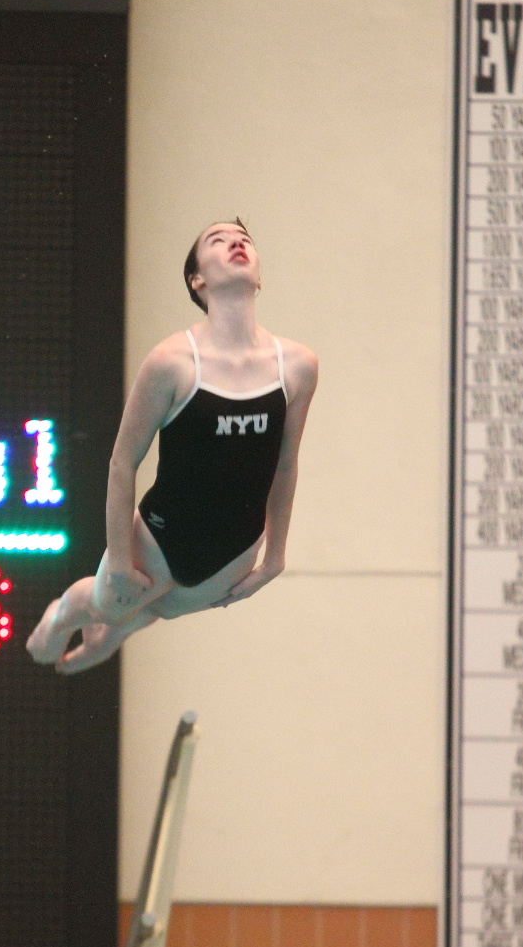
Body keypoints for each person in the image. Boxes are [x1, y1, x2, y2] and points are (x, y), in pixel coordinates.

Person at [26, 219, 318, 673]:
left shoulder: (298, 365)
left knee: (159, 609)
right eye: (217, 242)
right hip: (158, 540)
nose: (236, 244)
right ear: (196, 280)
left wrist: (276, 555)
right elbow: (123, 463)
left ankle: (113, 634)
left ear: (258, 277)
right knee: (109, 606)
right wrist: (120, 559)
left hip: (234, 553)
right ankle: (63, 615)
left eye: (244, 240)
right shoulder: (172, 362)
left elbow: (285, 464)